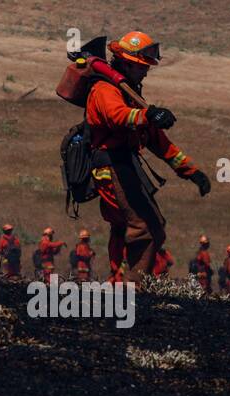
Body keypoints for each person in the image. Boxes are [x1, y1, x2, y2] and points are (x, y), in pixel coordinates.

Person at [84, 30, 210, 282]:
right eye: (142, 66)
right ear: (127, 62)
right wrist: (147, 115)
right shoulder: (104, 89)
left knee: (144, 226)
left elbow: (155, 139)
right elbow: (117, 117)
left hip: (125, 165)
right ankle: (130, 288)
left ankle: (123, 285)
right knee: (144, 228)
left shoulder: (130, 93)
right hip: (111, 167)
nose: (145, 71)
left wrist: (189, 171)